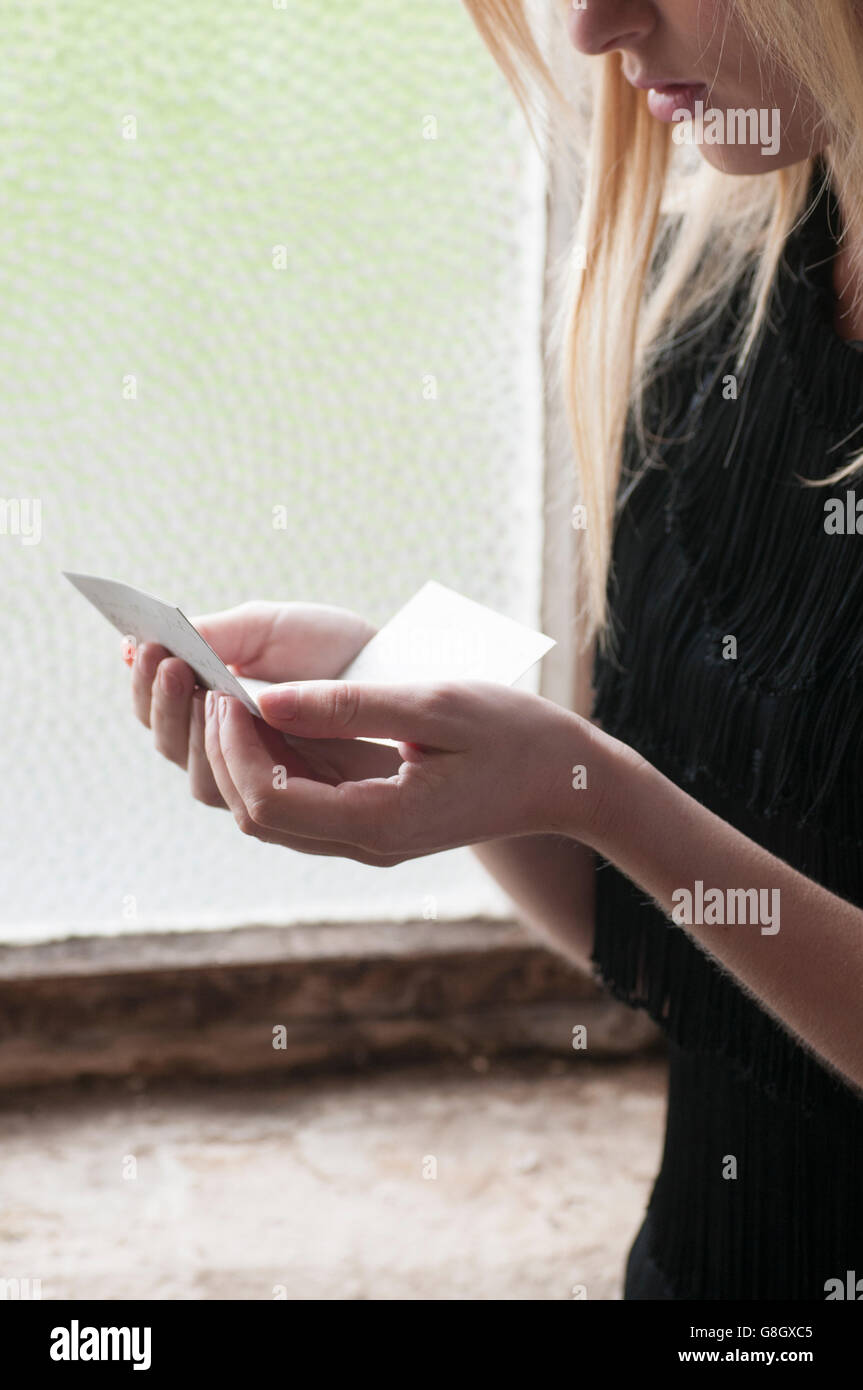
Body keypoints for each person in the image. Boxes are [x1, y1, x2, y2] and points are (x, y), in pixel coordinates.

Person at [126, 1, 863, 1300]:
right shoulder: (705, 308)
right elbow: (676, 938)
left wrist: (587, 785)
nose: (588, 23)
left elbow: (634, 822)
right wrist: (445, 738)